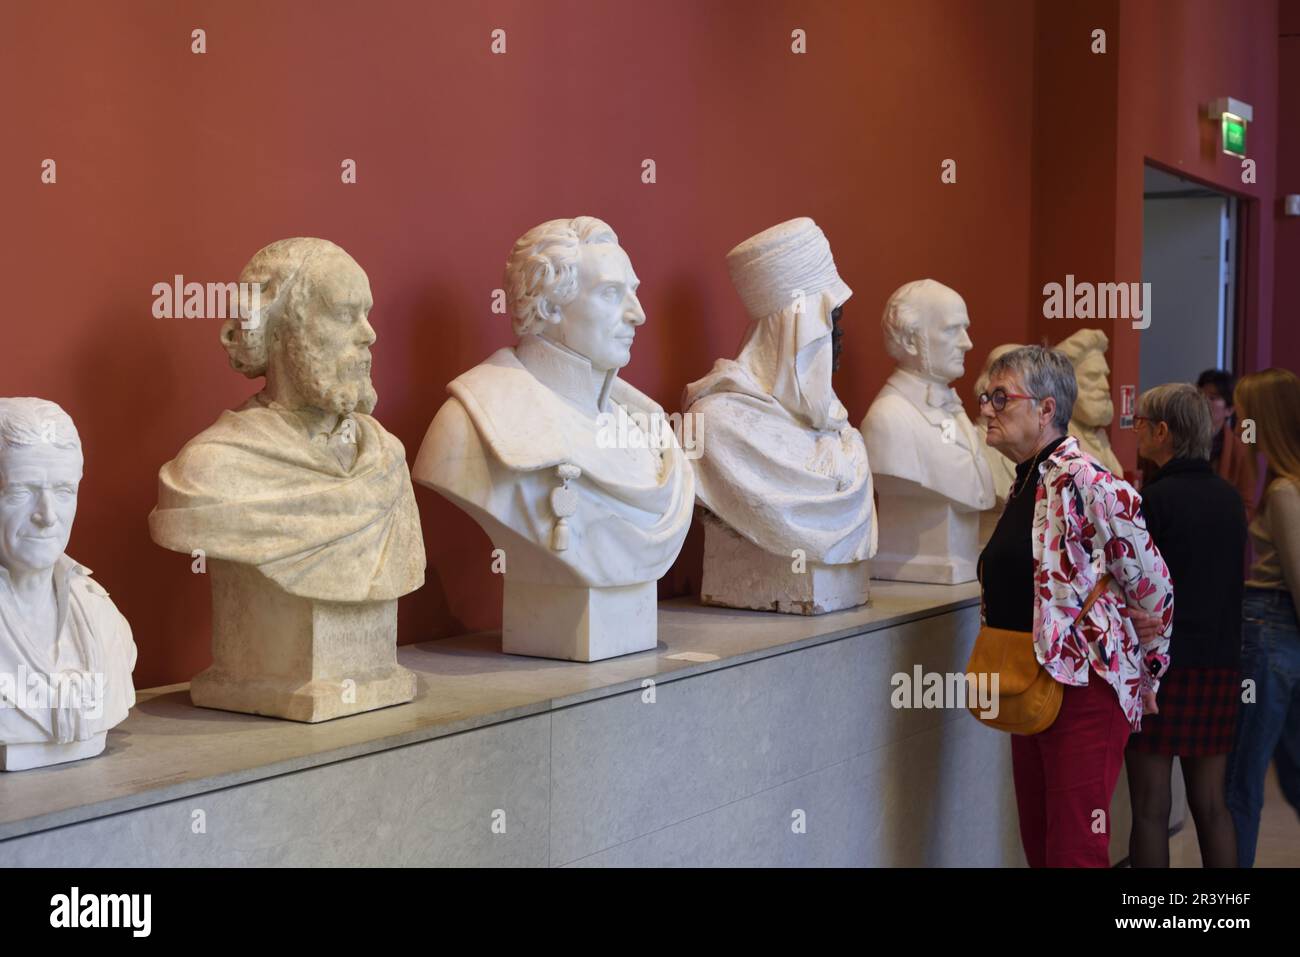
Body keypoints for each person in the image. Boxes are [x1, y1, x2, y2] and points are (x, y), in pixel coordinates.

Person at [978, 344, 1173, 867]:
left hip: (1086, 687)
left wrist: (1150, 672)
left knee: (1074, 851)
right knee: (1041, 845)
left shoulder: (1090, 481)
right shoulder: (1028, 479)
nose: (988, 409)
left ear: (1046, 409)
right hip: (1031, 681)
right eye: (986, 397)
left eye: (1002, 398)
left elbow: (1154, 586)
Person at [1126, 384, 1246, 867]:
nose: (1134, 431)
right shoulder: (1230, 499)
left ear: (1162, 432)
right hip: (1220, 664)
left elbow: (1135, 587)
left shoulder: (1151, 501)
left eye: (1139, 422)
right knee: (1212, 806)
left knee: (1150, 808)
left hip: (1161, 667)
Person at [1226, 367, 1300, 867]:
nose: (1237, 425)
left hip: (1270, 633)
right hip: (1275, 635)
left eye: (1244, 416)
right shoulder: (1280, 483)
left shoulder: (1282, 492)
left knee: (1241, 779)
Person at [1197, 369, 1259, 521]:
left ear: (1229, 409)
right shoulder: (1179, 440)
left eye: (1212, 398)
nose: (1203, 402)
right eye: (1199, 396)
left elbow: (1247, 507)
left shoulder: (1241, 451)